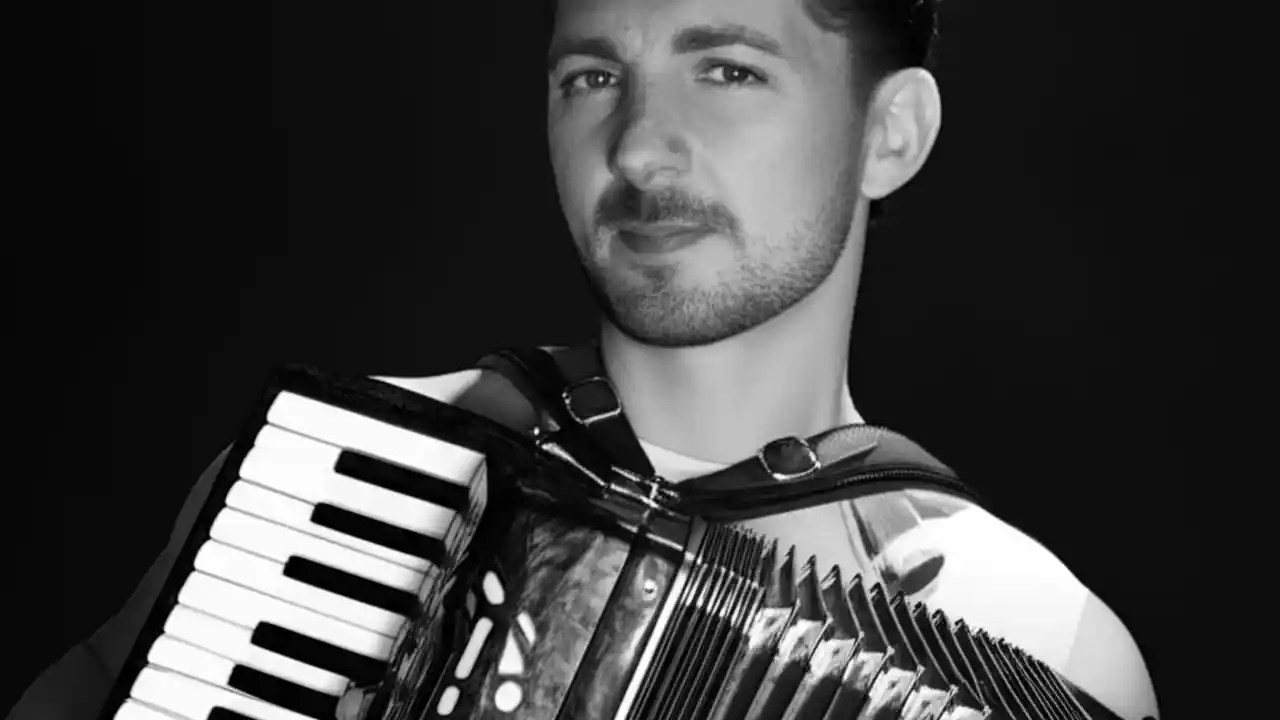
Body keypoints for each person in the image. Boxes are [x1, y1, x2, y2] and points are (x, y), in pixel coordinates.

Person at [8, 0, 1161, 718]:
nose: (641, 142)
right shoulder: (339, 492)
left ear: (888, 134)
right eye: (590, 78)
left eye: (728, 70)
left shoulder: (1036, 645)